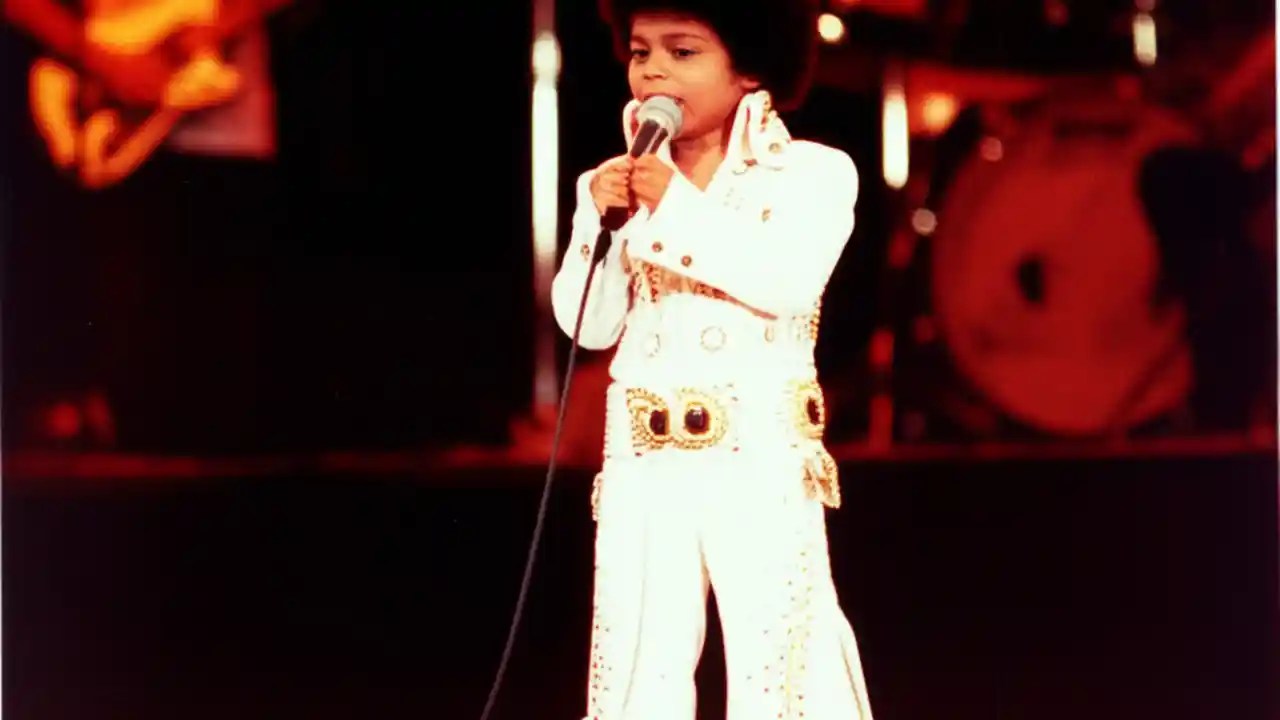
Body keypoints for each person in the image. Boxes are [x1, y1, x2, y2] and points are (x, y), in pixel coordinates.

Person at [549, 1, 875, 718]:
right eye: (640, 52)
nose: (654, 70)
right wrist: (592, 221)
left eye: (683, 51)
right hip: (645, 463)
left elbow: (786, 282)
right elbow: (586, 324)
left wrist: (675, 210)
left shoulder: (813, 175)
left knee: (784, 667)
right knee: (638, 670)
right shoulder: (616, 183)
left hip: (758, 457)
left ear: (750, 68)